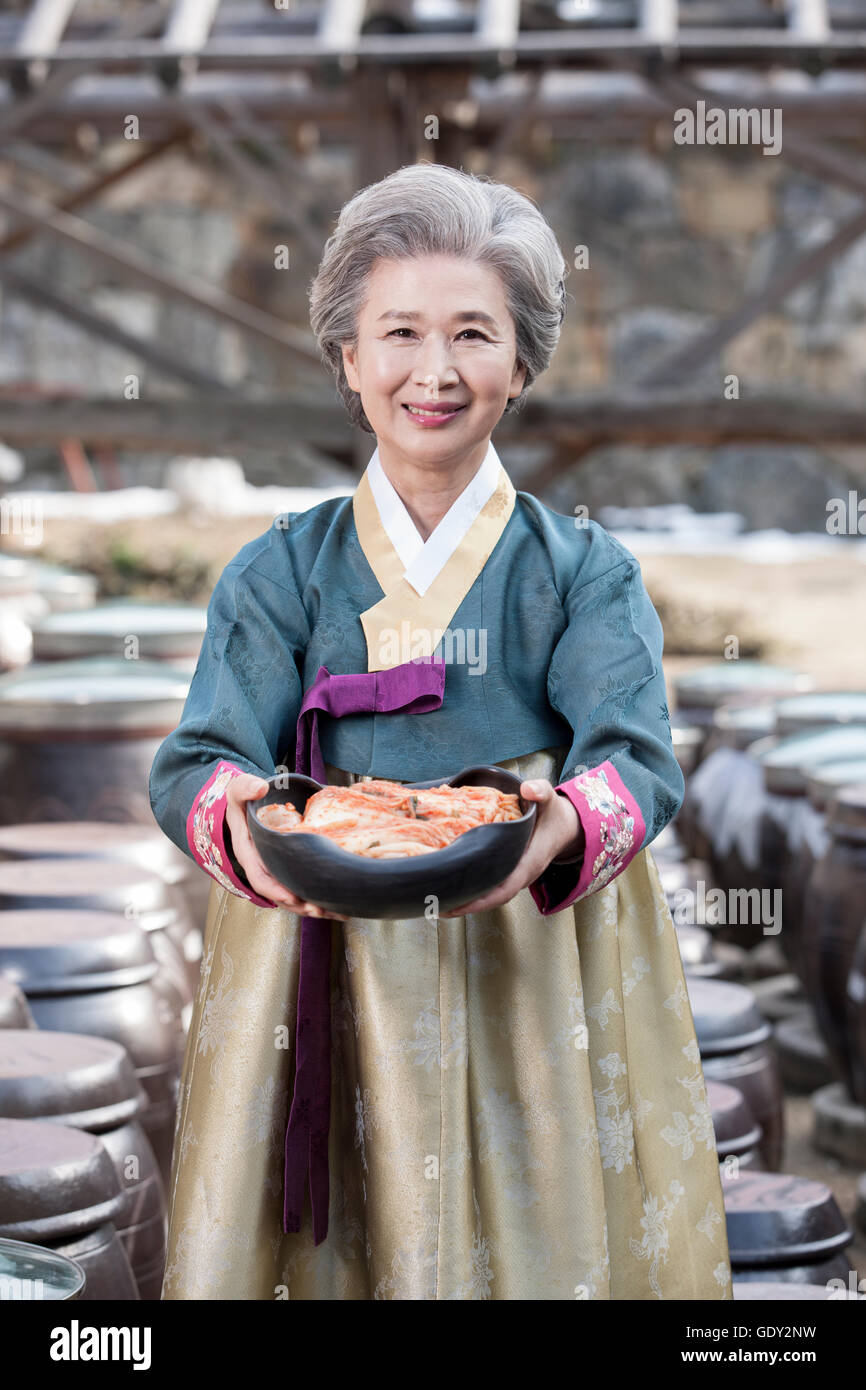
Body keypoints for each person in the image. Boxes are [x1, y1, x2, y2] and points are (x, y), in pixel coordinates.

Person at [149, 161, 732, 1300]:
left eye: (471, 334)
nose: (433, 370)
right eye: (398, 333)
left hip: (521, 948)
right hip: (316, 941)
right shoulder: (280, 569)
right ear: (346, 359)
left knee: (526, 1223)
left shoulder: (580, 570)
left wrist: (550, 823)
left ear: (520, 363)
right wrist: (261, 834)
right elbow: (197, 761)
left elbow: (637, 759)